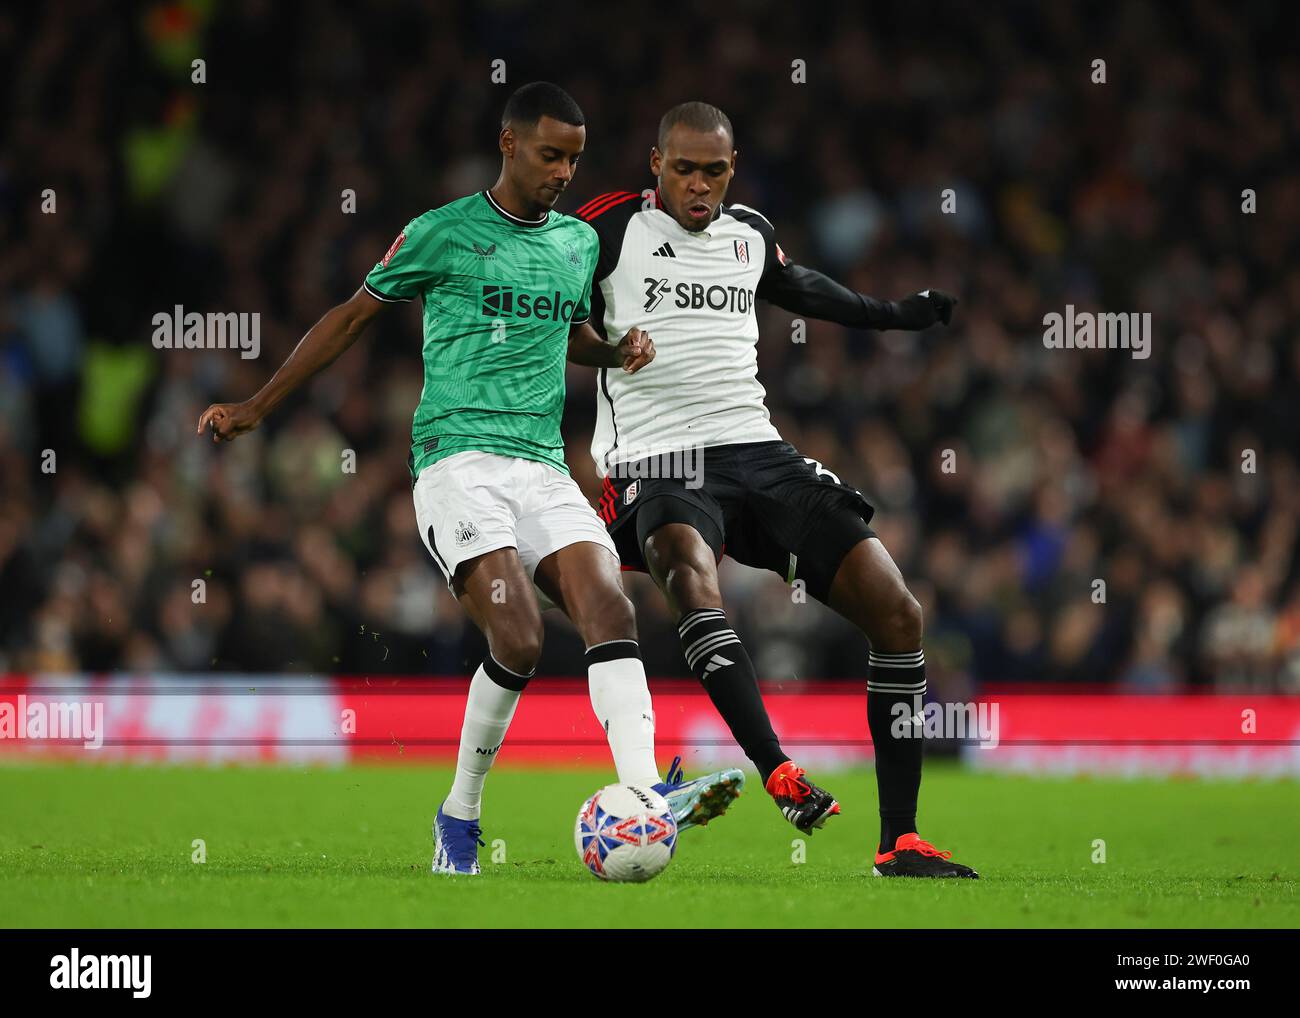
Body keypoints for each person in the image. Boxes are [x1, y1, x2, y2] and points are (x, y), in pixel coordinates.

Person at [197, 84, 743, 876]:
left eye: (575, 160)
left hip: (543, 464)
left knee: (609, 603)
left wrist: (616, 346)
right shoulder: (442, 233)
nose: (563, 172)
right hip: (457, 461)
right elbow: (352, 315)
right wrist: (257, 405)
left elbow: (570, 333)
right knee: (517, 634)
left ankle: (644, 797)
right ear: (509, 144)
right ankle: (458, 813)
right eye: (551, 154)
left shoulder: (575, 244)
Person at [566, 101, 977, 877]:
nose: (698, 184)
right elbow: (561, 319)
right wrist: (612, 348)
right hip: (658, 459)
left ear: (732, 169)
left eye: (713, 171)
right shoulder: (608, 229)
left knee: (897, 610)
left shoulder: (747, 233)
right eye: (683, 168)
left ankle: (901, 841)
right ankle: (777, 769)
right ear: (655, 165)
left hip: (756, 450)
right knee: (693, 578)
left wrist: (895, 316)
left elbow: (798, 286)